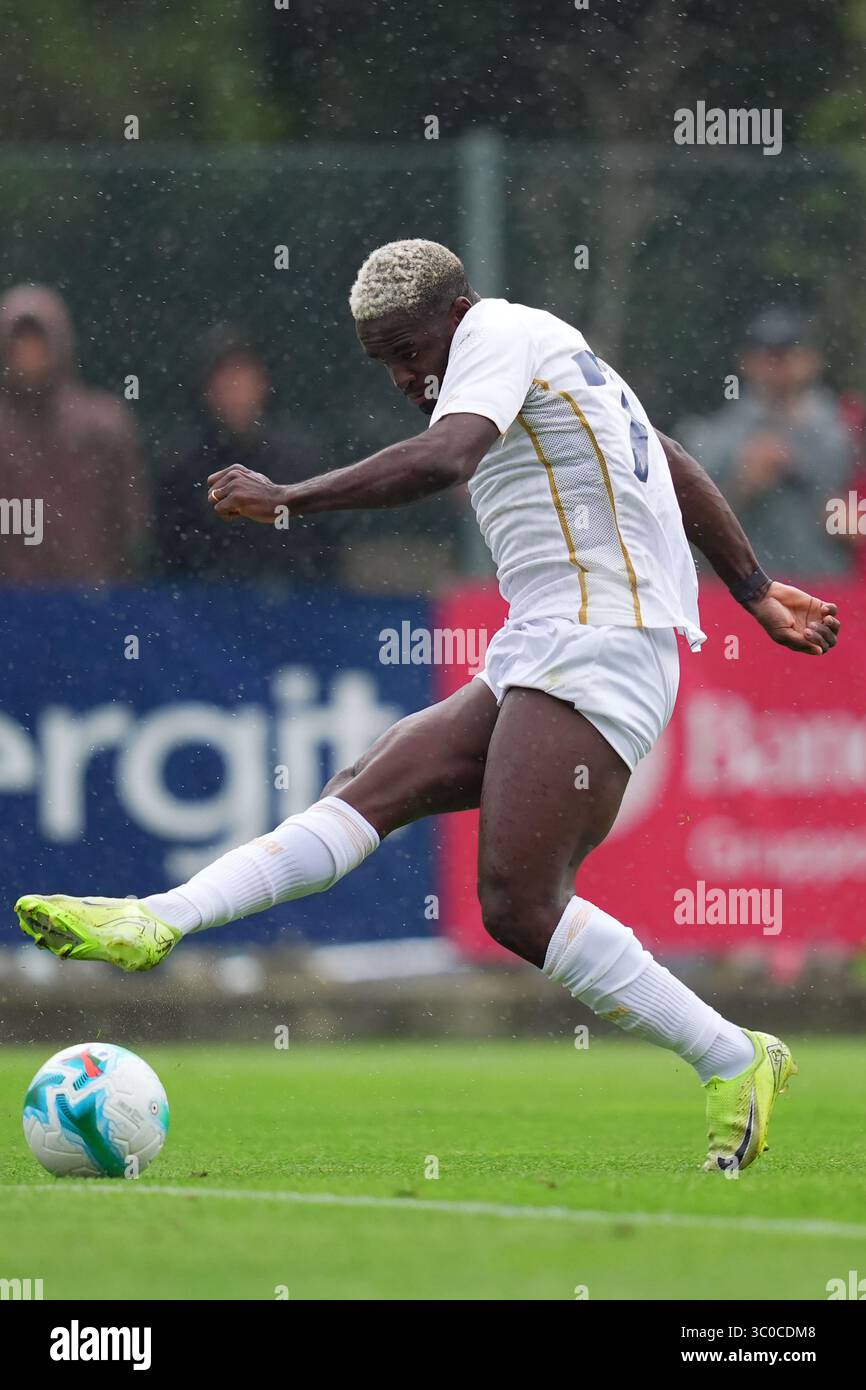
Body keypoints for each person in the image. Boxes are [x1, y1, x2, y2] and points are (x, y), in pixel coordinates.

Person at [16, 241, 841, 1175]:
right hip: (549, 638)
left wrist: (288, 500)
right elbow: (671, 459)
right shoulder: (548, 349)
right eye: (386, 362)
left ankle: (735, 1056)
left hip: (605, 638)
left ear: (458, 312)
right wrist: (758, 588)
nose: (408, 377)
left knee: (518, 904)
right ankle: (155, 920)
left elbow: (446, 459)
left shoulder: (494, 334)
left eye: (412, 351)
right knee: (367, 785)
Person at [676, 306, 853, 578]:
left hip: (829, 589)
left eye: (788, 353)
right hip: (742, 594)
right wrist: (744, 486)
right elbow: (685, 533)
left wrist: (840, 514)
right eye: (768, 355)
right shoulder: (713, 437)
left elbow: (851, 523)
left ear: (812, 359)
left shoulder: (844, 434)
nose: (778, 365)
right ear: (745, 362)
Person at [155, 324, 338, 584]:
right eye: (226, 380)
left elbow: (322, 549)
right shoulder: (180, 466)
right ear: (207, 390)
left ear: (262, 383)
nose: (236, 390)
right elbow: (171, 554)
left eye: (243, 378)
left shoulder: (300, 463)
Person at [0, 284, 148, 582]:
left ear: (59, 344)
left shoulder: (104, 426)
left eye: (38, 343)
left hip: (91, 599)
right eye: (20, 344)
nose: (29, 354)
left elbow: (132, 521)